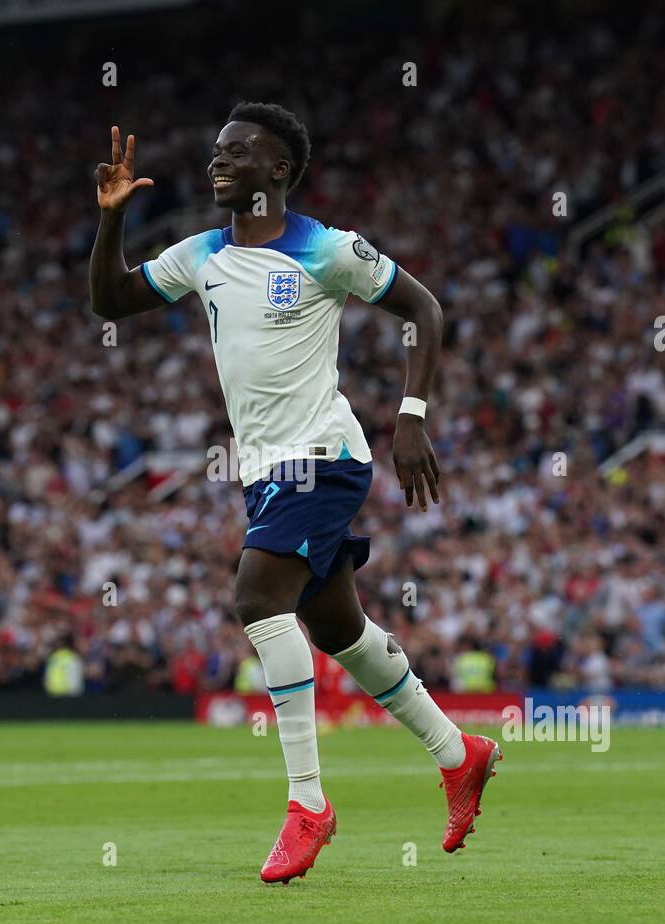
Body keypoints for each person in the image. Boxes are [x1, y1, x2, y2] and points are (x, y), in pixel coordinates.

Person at [89, 103, 501, 884]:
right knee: (336, 626)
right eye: (215, 150)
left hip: (322, 455)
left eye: (236, 152)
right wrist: (111, 219)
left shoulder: (327, 249)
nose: (218, 163)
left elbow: (423, 308)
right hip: (263, 469)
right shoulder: (201, 254)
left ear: (277, 171)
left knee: (258, 598)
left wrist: (411, 416)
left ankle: (307, 805)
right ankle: (459, 752)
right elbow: (110, 303)